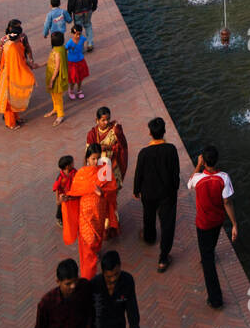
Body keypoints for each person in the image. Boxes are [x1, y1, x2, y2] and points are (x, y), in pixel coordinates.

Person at [189, 145, 239, 310]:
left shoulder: (197, 179)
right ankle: (208, 253)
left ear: (203, 160)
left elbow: (190, 183)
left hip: (203, 222)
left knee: (207, 260)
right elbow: (227, 202)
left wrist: (197, 165)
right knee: (210, 246)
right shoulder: (224, 178)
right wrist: (234, 224)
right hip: (218, 221)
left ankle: (215, 298)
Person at [133, 117, 179, 273]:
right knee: (167, 225)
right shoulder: (171, 150)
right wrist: (174, 189)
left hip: (148, 193)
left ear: (150, 133)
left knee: (149, 215)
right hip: (167, 194)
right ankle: (163, 258)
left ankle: (149, 237)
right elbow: (175, 173)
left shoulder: (144, 153)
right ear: (164, 131)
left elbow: (138, 174)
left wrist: (136, 190)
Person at [68, 144, 116, 280]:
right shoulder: (81, 174)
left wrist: (102, 193)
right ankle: (87, 276)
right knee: (88, 242)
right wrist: (66, 197)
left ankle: (96, 252)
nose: (96, 162)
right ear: (87, 158)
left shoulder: (104, 172)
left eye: (98, 158)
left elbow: (112, 189)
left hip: (99, 214)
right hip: (85, 216)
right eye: (93, 159)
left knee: (97, 237)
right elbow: (75, 192)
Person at [30, 259, 91, 328]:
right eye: (68, 284)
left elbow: (88, 315)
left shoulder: (84, 287)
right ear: (58, 282)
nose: (73, 286)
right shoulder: (47, 302)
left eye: (75, 281)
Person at [87, 107, 128, 237]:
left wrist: (111, 146)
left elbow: (122, 147)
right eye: (103, 120)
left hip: (112, 169)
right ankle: (103, 226)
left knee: (112, 198)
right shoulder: (92, 134)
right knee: (100, 198)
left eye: (107, 119)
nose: (106, 122)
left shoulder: (114, 131)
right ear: (97, 120)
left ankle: (112, 225)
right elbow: (88, 154)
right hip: (98, 171)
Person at [91, 250, 140, 328]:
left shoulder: (127, 281)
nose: (113, 279)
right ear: (103, 273)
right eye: (109, 277)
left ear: (120, 266)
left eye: (116, 274)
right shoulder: (94, 284)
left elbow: (132, 309)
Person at [45, 31, 68, 126]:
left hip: (56, 78)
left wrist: (52, 80)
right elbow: (51, 61)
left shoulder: (57, 52)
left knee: (58, 97)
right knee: (53, 94)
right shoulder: (61, 48)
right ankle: (55, 109)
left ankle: (60, 115)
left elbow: (57, 67)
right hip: (52, 75)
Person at [65, 24, 90, 99]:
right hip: (72, 62)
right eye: (76, 34)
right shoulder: (69, 43)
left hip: (80, 60)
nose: (78, 36)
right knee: (73, 78)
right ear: (73, 33)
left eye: (79, 34)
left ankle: (79, 90)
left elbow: (83, 44)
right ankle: (71, 90)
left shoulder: (82, 39)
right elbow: (65, 50)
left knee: (80, 77)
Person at [54, 154, 76, 231]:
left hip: (70, 193)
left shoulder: (74, 172)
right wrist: (57, 200)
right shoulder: (60, 177)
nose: (73, 164)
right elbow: (56, 188)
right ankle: (59, 219)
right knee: (61, 207)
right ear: (67, 166)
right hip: (62, 195)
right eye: (72, 163)